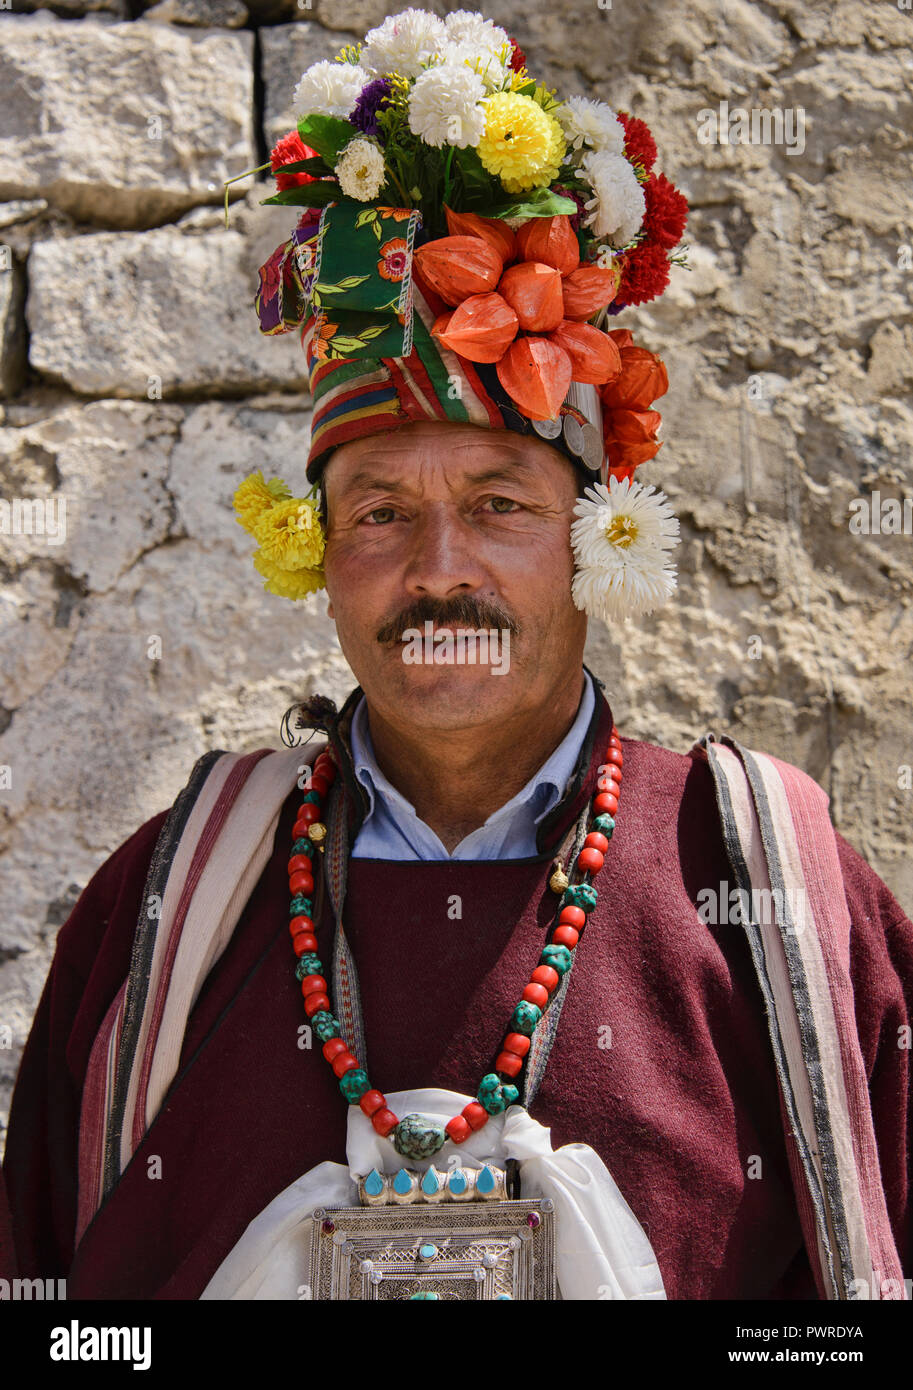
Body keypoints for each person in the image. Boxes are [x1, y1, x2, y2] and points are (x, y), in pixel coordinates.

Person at [2, 9, 910, 1302]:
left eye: (498, 504)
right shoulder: (164, 915)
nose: (439, 567)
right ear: (320, 552)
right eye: (379, 511)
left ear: (592, 540)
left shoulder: (772, 896)